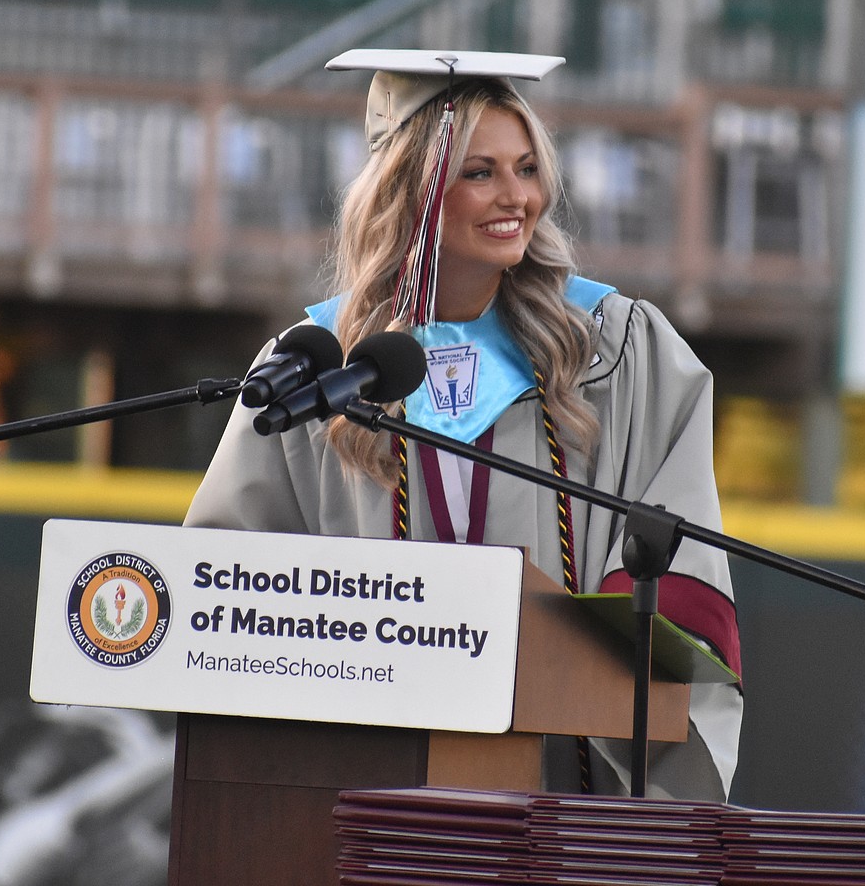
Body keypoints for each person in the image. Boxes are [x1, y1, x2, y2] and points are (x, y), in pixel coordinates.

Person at [183, 49, 743, 801]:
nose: (517, 196)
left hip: (561, 801)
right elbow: (230, 600)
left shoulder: (615, 349)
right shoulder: (317, 370)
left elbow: (676, 570)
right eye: (478, 173)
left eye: (526, 168)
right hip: (367, 803)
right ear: (411, 192)